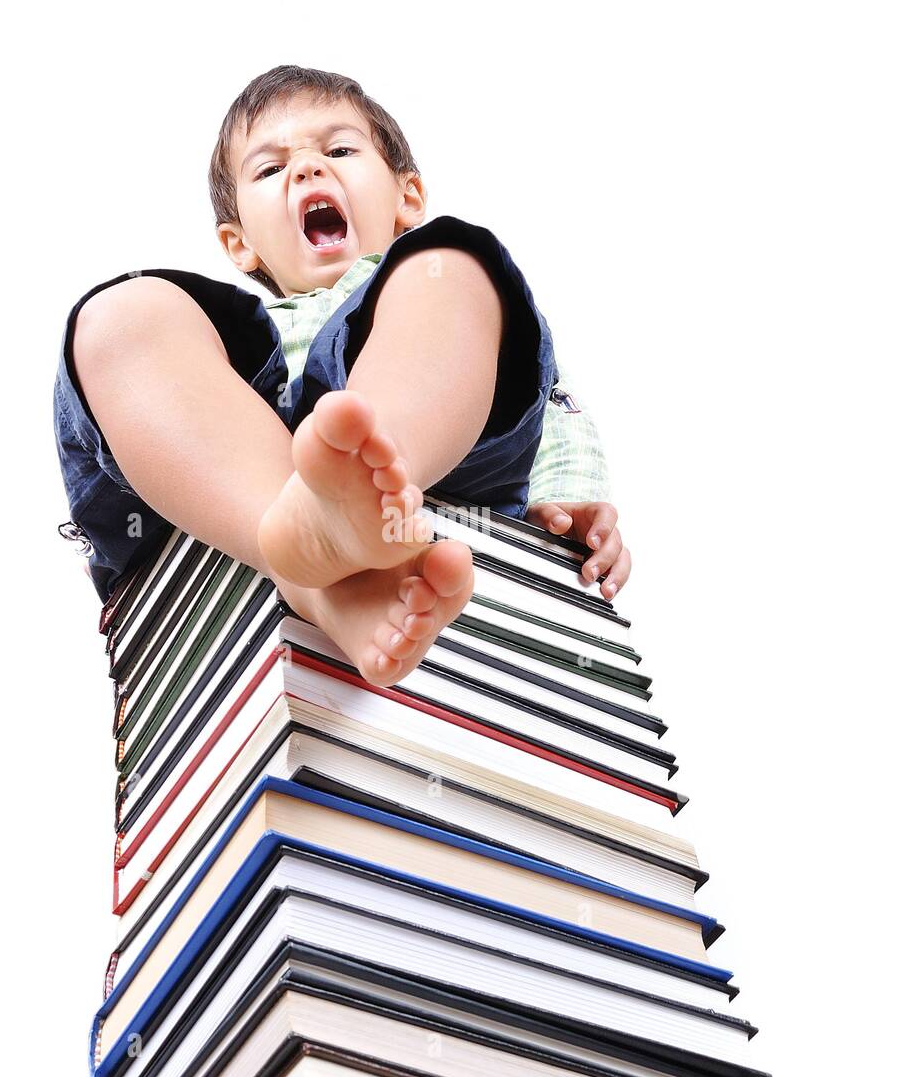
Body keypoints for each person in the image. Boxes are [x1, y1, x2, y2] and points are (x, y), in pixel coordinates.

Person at [52, 65, 631, 686]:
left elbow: (552, 400)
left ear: (406, 196)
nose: (305, 168)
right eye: (271, 169)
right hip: (216, 472)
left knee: (455, 263)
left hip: (439, 448)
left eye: (339, 150)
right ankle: (316, 557)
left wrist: (569, 494)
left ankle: (371, 485)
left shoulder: (422, 276)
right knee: (121, 313)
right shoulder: (223, 338)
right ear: (239, 243)